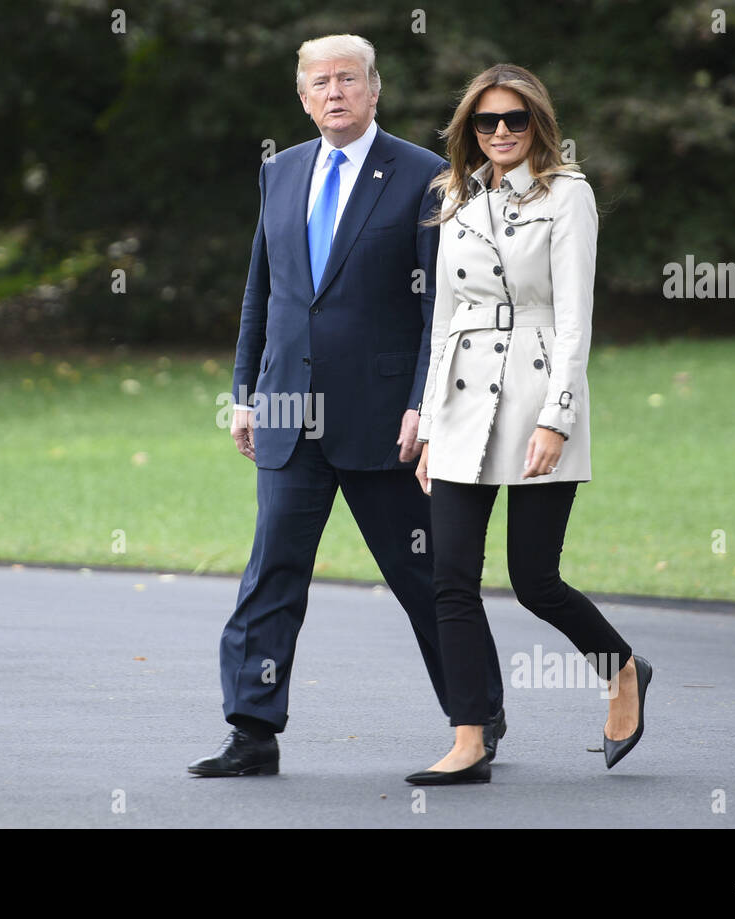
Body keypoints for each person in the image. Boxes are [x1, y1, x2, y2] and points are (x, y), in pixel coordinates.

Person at [188, 34, 507, 778]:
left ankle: (479, 716)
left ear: (375, 90)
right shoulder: (281, 171)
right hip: (286, 412)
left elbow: (446, 306)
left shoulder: (427, 176)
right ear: (303, 97)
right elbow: (261, 292)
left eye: (349, 79)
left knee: (423, 576)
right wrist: (245, 393)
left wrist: (424, 405)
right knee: (272, 572)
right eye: (320, 82)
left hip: (384, 417)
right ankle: (252, 731)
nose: (335, 92)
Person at [403, 64, 651, 786]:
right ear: (470, 131)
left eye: (515, 120)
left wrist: (557, 419)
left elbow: (575, 319)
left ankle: (623, 669)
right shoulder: (453, 196)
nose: (502, 133)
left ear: (538, 124)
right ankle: (469, 736)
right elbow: (443, 319)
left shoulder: (568, 195)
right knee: (449, 578)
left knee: (534, 580)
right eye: (487, 122)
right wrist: (428, 421)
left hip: (539, 394)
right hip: (458, 402)